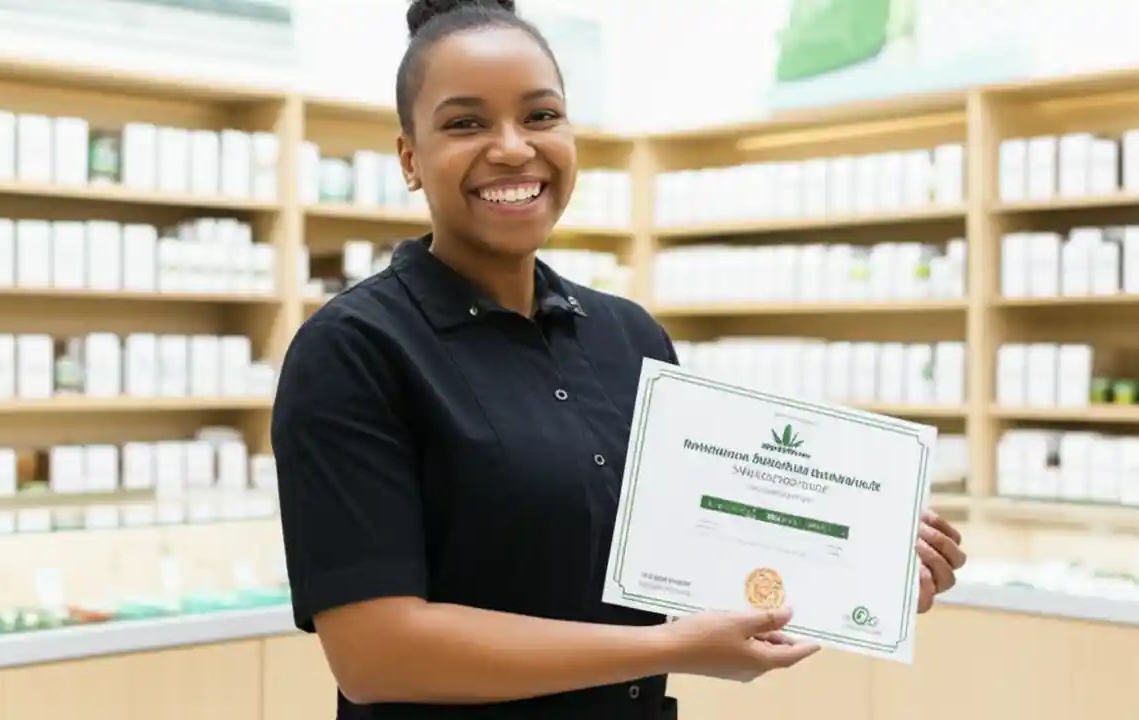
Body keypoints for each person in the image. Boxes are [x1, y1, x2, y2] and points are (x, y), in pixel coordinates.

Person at [270, 1, 967, 718]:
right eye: (466, 123)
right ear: (410, 159)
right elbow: (378, 655)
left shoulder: (627, 339)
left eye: (541, 116)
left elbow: (705, 559)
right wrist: (669, 651)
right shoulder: (354, 351)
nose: (513, 148)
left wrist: (860, 577)